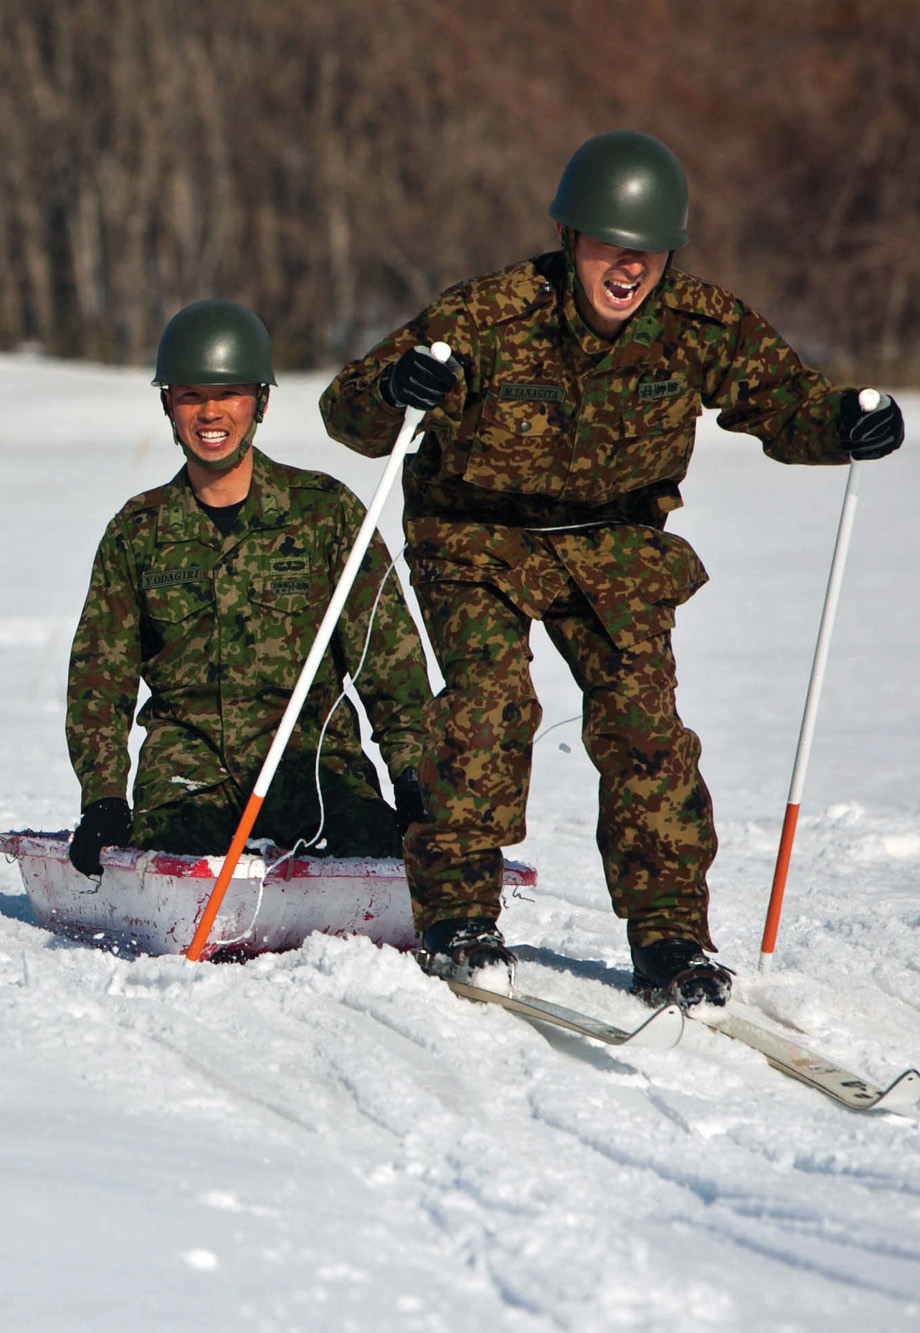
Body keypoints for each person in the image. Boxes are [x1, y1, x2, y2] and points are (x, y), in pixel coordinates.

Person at [320, 130, 905, 1007]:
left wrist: (847, 424)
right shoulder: (488, 314)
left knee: (645, 725)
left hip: (613, 544)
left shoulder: (697, 322)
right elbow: (350, 410)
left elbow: (784, 403)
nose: (630, 270)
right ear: (571, 240)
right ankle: (458, 914)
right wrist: (400, 389)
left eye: (650, 253)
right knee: (490, 701)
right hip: (477, 536)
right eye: (611, 249)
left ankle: (671, 933)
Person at [66, 300, 432, 879]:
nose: (210, 413)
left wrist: (412, 778)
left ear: (260, 401)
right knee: (172, 862)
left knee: (376, 853)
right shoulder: (139, 532)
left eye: (230, 393)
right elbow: (98, 682)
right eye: (190, 395)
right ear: (168, 403)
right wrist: (104, 799)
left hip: (313, 768)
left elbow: (390, 663)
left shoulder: (325, 513)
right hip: (189, 781)